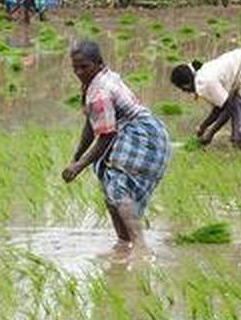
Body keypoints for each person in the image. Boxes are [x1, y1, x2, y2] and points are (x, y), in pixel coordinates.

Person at [62, 40, 170, 253]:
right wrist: (77, 155)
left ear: (99, 64)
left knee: (118, 186)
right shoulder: (94, 83)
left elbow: (105, 135)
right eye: (75, 67)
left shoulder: (100, 91)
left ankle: (139, 247)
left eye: (84, 66)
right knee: (110, 186)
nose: (79, 72)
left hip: (143, 136)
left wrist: (79, 166)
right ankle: (124, 242)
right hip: (133, 133)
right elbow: (92, 123)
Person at [171, 48, 241, 147]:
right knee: (238, 136)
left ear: (186, 85)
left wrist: (211, 132)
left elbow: (229, 109)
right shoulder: (201, 77)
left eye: (181, 89)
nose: (184, 92)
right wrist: (203, 126)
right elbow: (220, 106)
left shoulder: (204, 83)